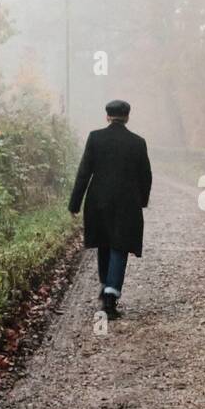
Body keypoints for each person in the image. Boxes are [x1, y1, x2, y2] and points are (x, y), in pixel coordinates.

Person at [68, 99, 152, 319]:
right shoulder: (137, 142)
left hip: (98, 201)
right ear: (127, 117)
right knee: (120, 245)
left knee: (105, 243)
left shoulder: (95, 138)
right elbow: (146, 176)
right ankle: (110, 296)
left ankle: (106, 285)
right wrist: (142, 200)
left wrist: (75, 203)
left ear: (107, 116)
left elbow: (84, 172)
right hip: (127, 203)